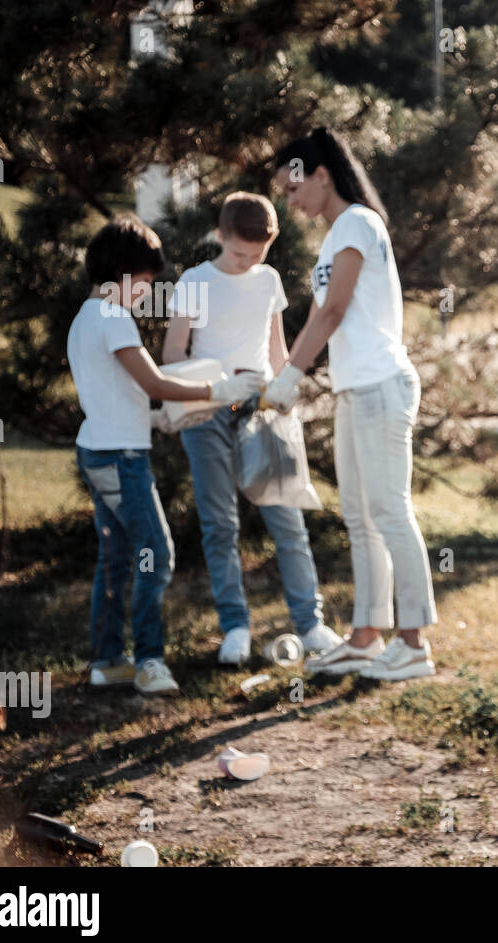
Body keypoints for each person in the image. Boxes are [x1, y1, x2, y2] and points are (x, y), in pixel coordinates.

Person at [267, 127, 438, 681]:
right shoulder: (336, 232)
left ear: (321, 175)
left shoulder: (358, 222)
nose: (290, 201)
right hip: (354, 389)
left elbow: (333, 311)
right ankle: (366, 637)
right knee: (361, 520)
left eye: (293, 188)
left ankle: (413, 644)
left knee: (388, 510)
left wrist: (290, 375)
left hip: (381, 385)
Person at [69, 213, 262, 695]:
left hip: (97, 450)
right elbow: (154, 382)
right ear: (124, 273)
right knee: (156, 554)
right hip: (122, 459)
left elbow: (114, 394)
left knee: (116, 558)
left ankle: (107, 660)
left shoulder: (84, 319)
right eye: (146, 281)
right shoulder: (114, 318)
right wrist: (217, 390)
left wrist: (158, 420)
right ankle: (150, 661)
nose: (147, 292)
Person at [163, 192, 343, 666]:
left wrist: (286, 389)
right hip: (207, 415)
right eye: (240, 253)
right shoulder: (195, 281)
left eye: (258, 254)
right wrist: (216, 385)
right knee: (220, 524)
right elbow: (173, 354)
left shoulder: (268, 280)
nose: (249, 263)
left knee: (288, 520)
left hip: (262, 413)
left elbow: (277, 349)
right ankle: (235, 627)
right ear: (220, 236)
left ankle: (310, 623)